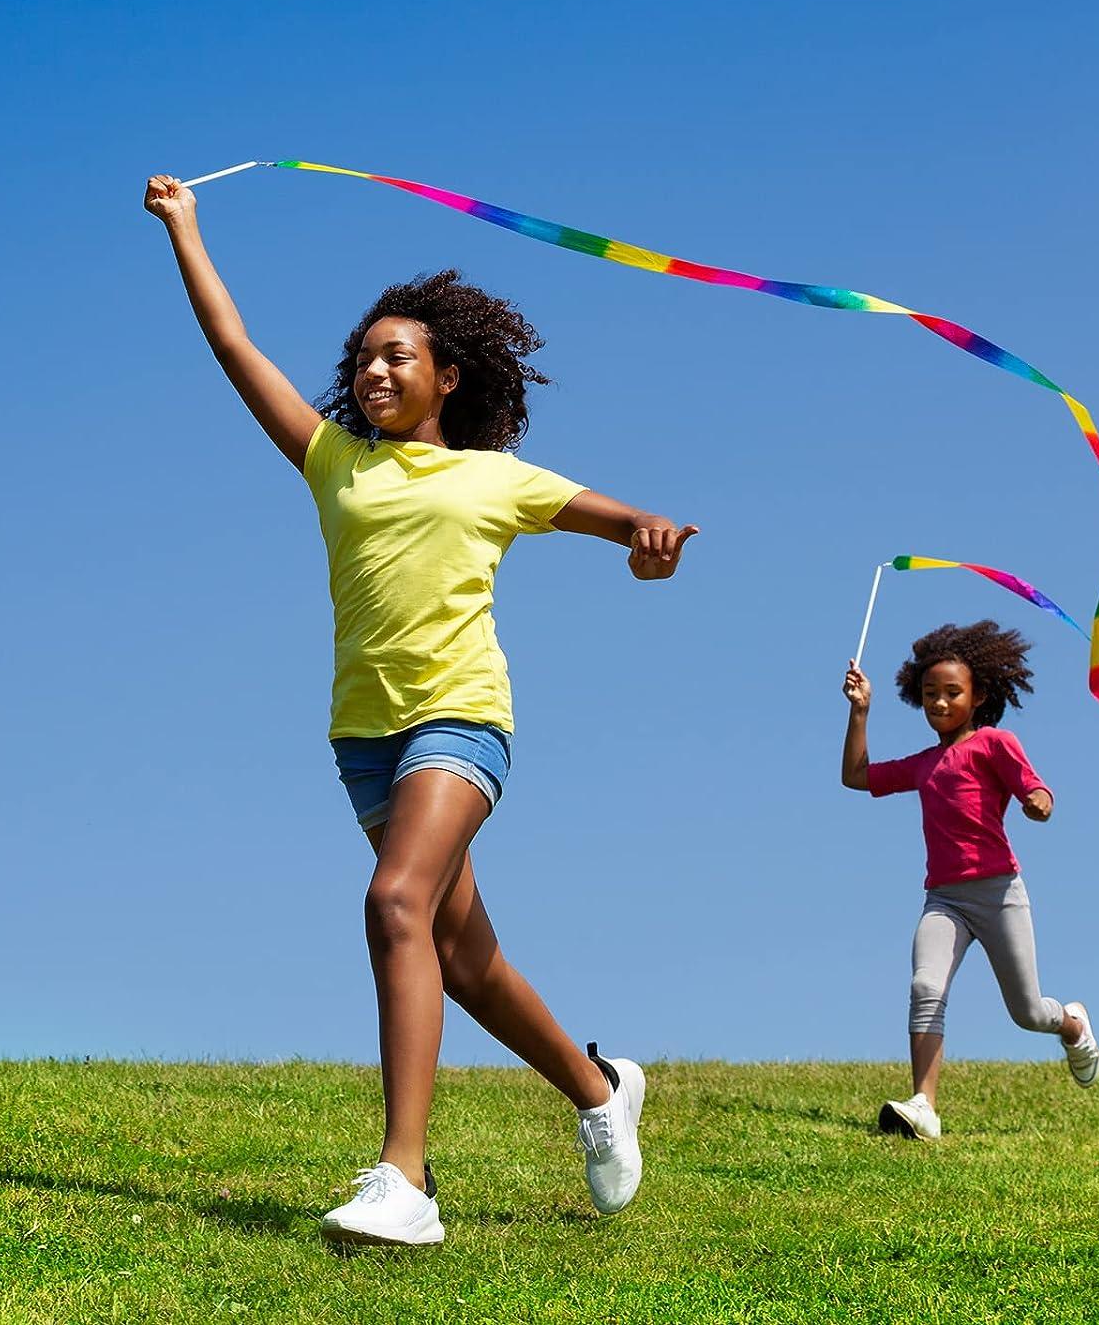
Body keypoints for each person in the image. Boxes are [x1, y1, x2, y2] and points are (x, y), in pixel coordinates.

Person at [144, 175, 698, 1243]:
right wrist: (186, 228)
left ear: (447, 376)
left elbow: (632, 523)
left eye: (398, 356)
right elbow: (232, 344)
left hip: (460, 721)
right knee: (464, 957)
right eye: (364, 358)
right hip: (364, 739)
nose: (375, 370)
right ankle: (600, 1090)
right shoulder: (332, 460)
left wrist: (654, 544)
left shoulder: (496, 479)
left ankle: (405, 1179)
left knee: (395, 902)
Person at [841, 620, 1099, 1140]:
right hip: (944, 900)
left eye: (951, 692)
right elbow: (857, 776)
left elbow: (1035, 789)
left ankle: (1072, 1024)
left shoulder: (994, 743)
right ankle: (924, 1106)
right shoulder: (923, 764)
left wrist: (1038, 803)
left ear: (978, 695)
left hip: (999, 893)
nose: (939, 702)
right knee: (925, 986)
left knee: (1028, 1012)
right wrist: (861, 711)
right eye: (929, 693)